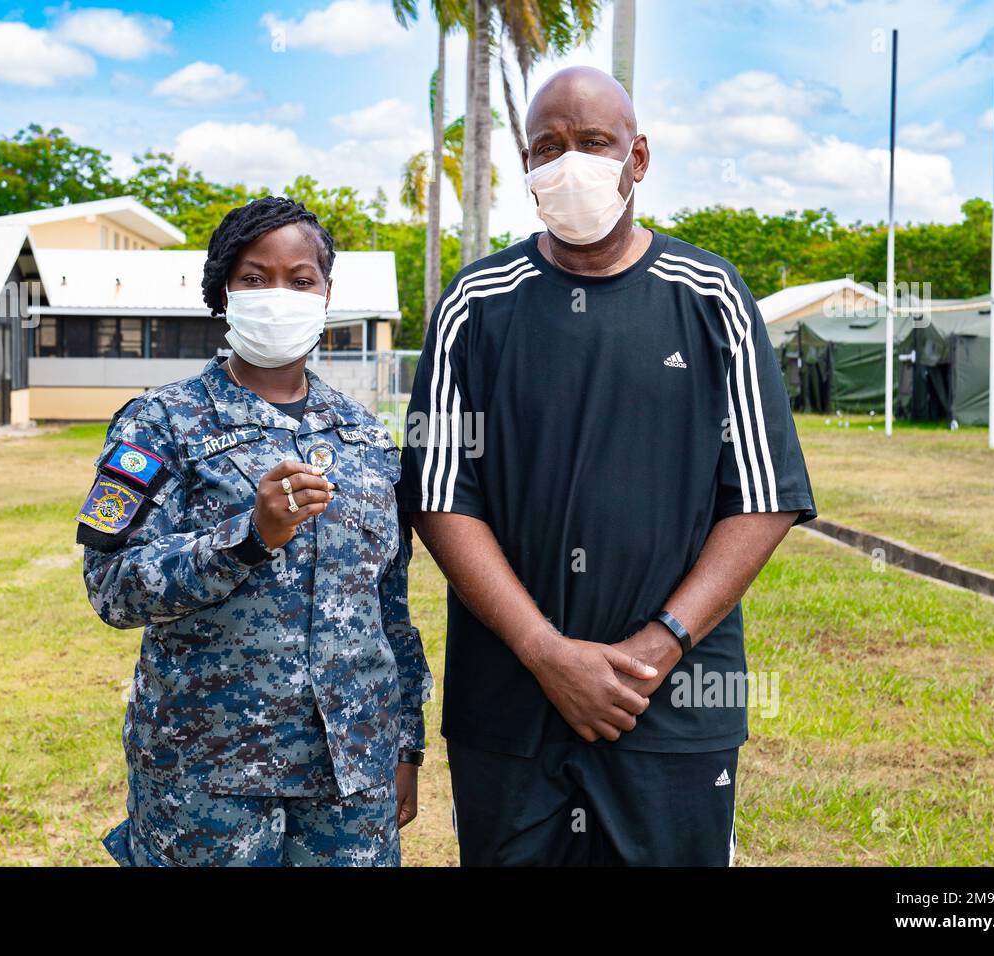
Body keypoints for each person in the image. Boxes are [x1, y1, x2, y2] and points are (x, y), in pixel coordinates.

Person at [397, 66, 816, 866]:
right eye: (546, 148)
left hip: (671, 702)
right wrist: (546, 652)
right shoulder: (475, 303)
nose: (571, 164)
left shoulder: (711, 296)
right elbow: (442, 497)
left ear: (640, 157)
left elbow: (763, 497)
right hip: (509, 703)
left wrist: (658, 647)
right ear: (524, 167)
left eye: (594, 143)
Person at [80, 197, 432, 867]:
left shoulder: (363, 436)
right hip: (207, 777)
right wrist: (246, 538)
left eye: (301, 280)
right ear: (222, 290)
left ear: (327, 293)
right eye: (254, 277)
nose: (280, 295)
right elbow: (112, 588)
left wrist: (406, 745)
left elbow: (389, 608)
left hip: (348, 777)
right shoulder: (161, 424)